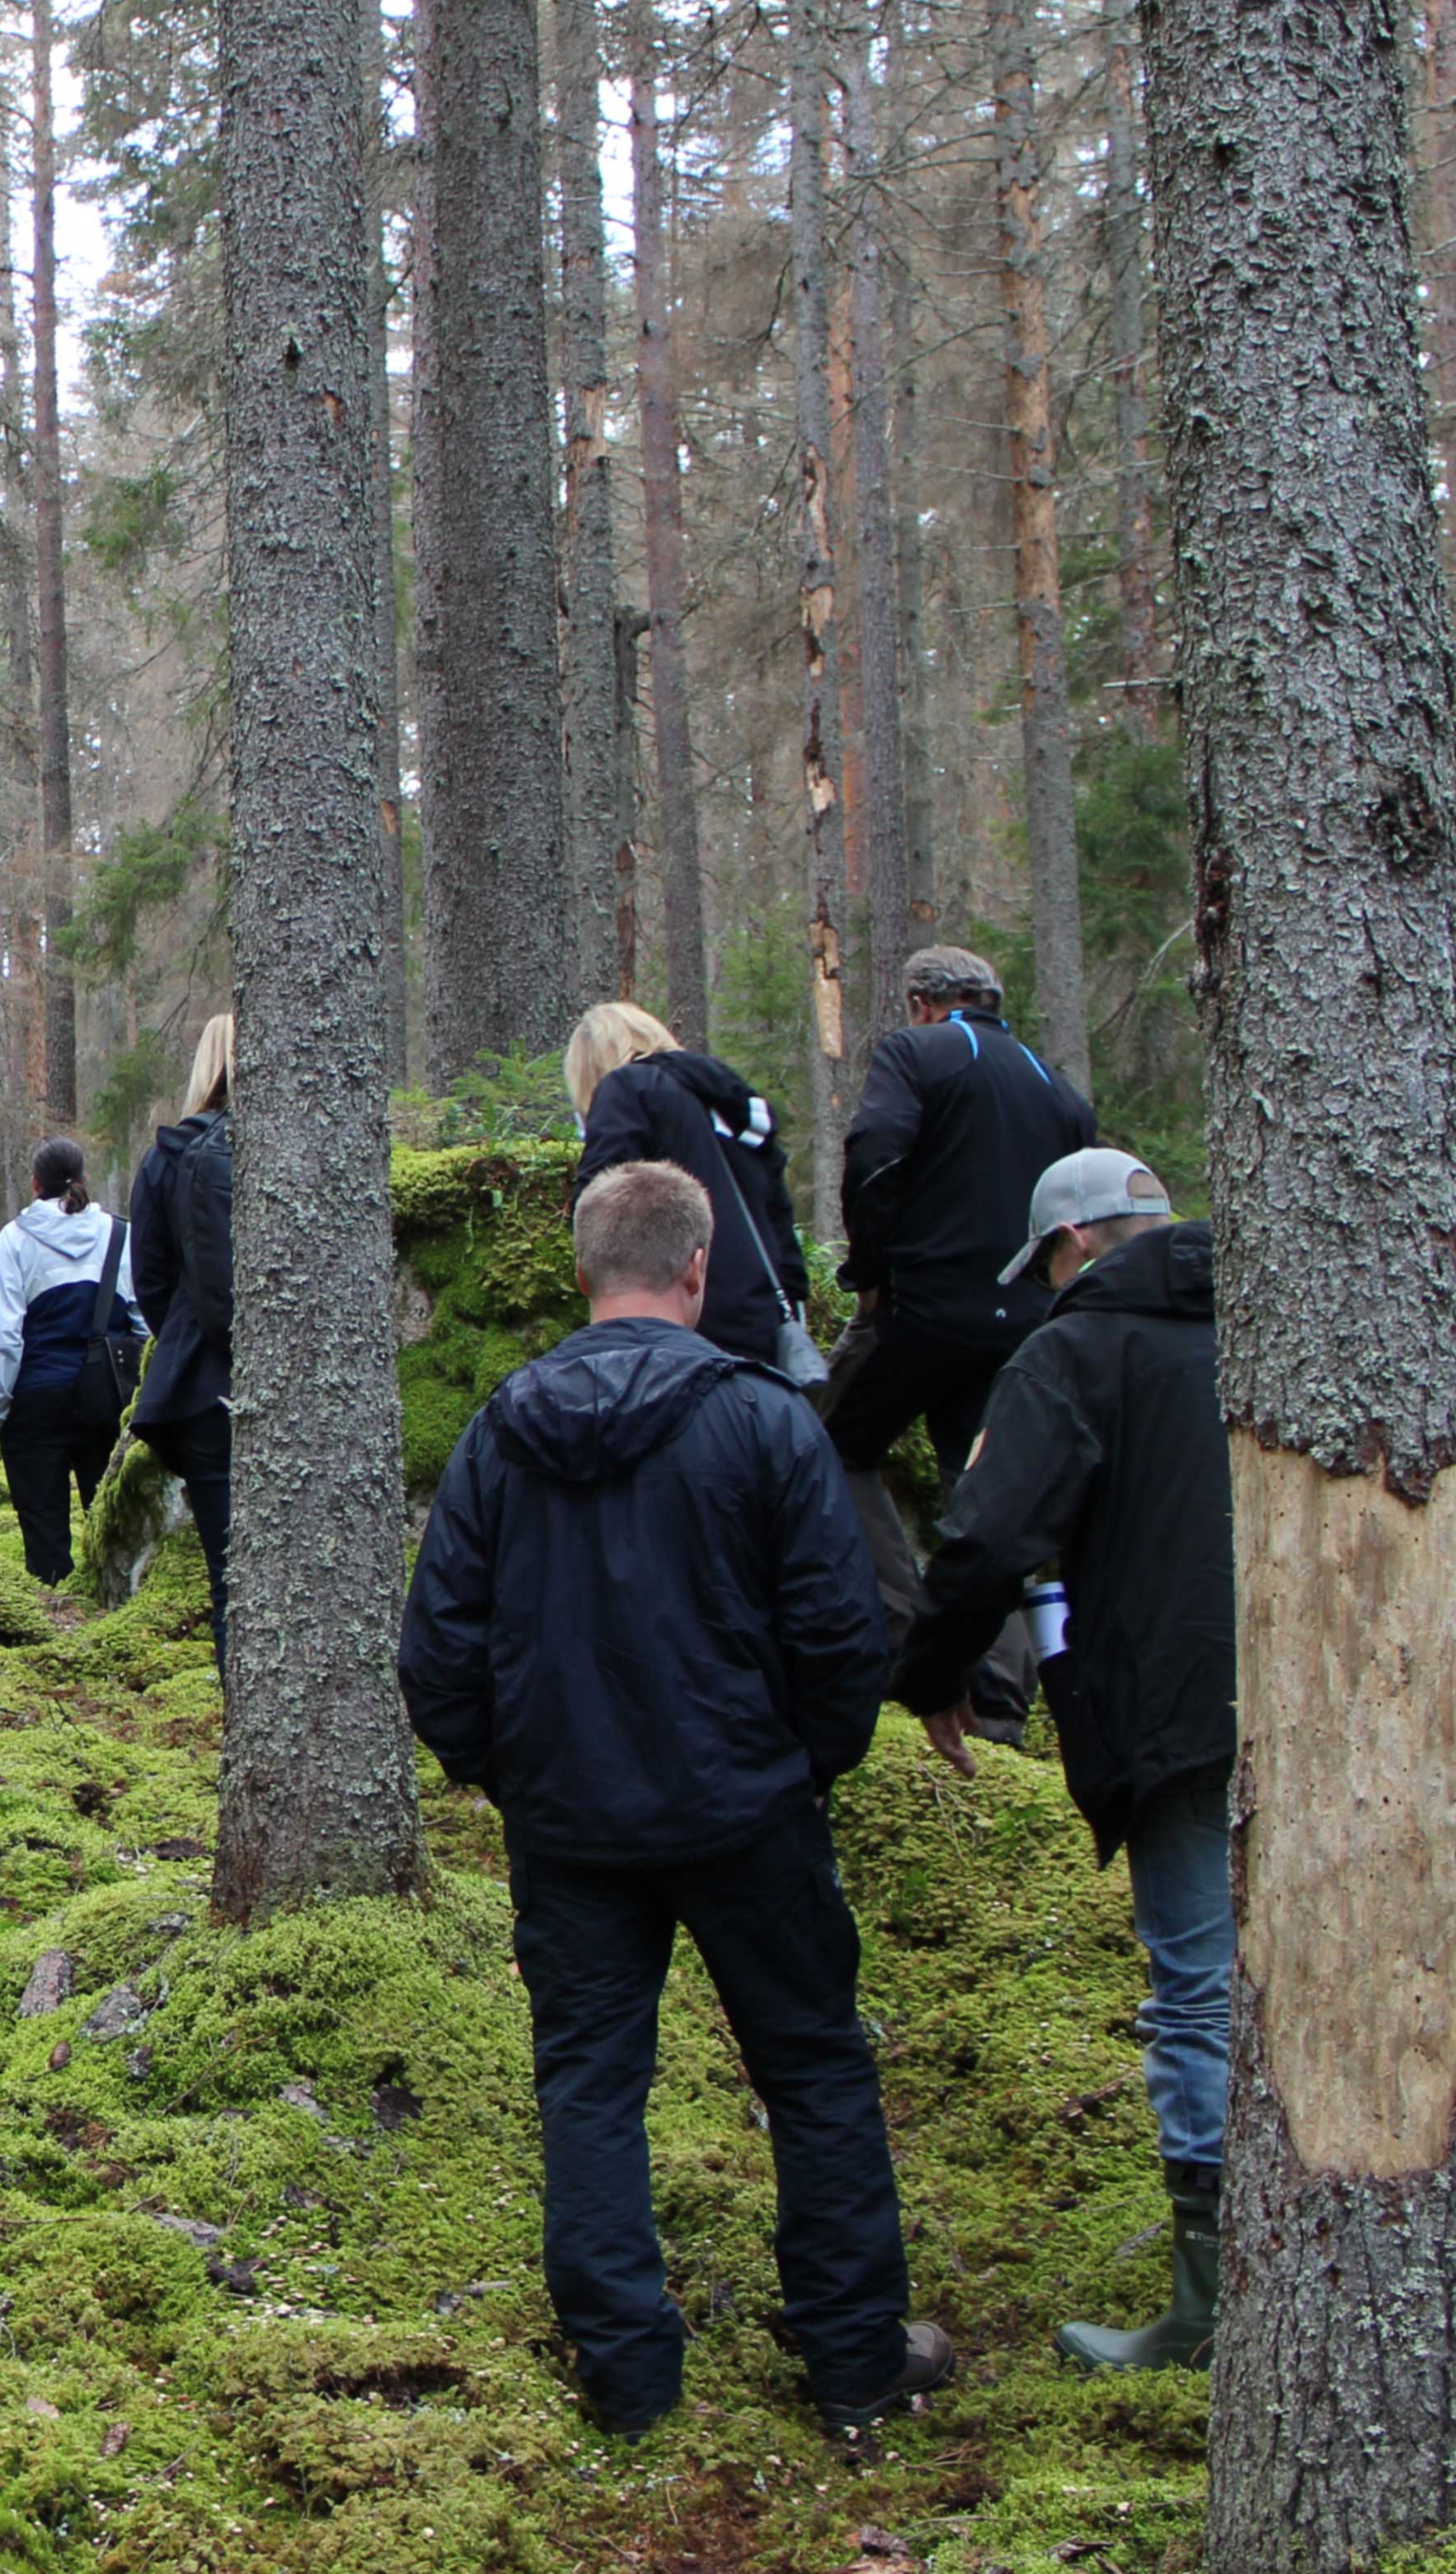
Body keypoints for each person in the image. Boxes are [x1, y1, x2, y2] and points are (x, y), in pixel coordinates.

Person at [400, 1159, 951, 2440]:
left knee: (590, 2081)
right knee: (813, 2068)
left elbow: (439, 1649)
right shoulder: (763, 1421)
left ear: (586, 1273)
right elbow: (840, 1629)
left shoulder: (501, 1427)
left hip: (585, 1823)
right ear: (696, 1270)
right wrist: (803, 1764)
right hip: (740, 1810)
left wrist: (508, 1774)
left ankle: (629, 2370)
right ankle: (855, 2357)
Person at [892, 1150, 1229, 2375]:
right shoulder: (1274, 1318)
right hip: (1333, 1703)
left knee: (1198, 1988)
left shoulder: (1078, 1352)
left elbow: (984, 1536)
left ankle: (1211, 2310)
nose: (1039, 1285)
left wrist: (930, 1676)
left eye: (1043, 1264)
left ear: (1077, 1244)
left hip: (1175, 1711)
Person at [831, 944, 1100, 1647]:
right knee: (983, 1496)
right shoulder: (1059, 1089)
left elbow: (873, 1154)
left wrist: (871, 1270)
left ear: (923, 1005)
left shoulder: (917, 1053)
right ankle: (998, 1694)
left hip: (921, 1311)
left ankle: (902, 1628)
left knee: (827, 1445)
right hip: (1025, 1322)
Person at [567, 1004, 809, 1371]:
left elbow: (597, 1204)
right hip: (763, 1320)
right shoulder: (730, 1102)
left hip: (684, 1318)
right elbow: (778, 1215)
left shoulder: (627, 1087)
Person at [0, 1138, 144, 1587]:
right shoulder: (119, 1235)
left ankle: (53, 1611)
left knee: (42, 1523)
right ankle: (114, 1606)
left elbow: (4, 1334)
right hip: (107, 1395)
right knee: (109, 1515)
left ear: (34, 1184)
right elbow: (143, 1324)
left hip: (36, 1398)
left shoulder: (14, 1239)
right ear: (82, 1178)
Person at [129, 1016, 238, 1649]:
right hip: (294, 1384)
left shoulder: (167, 1158)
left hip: (199, 1384)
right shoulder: (295, 1146)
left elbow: (150, 1281)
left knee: (230, 1576)